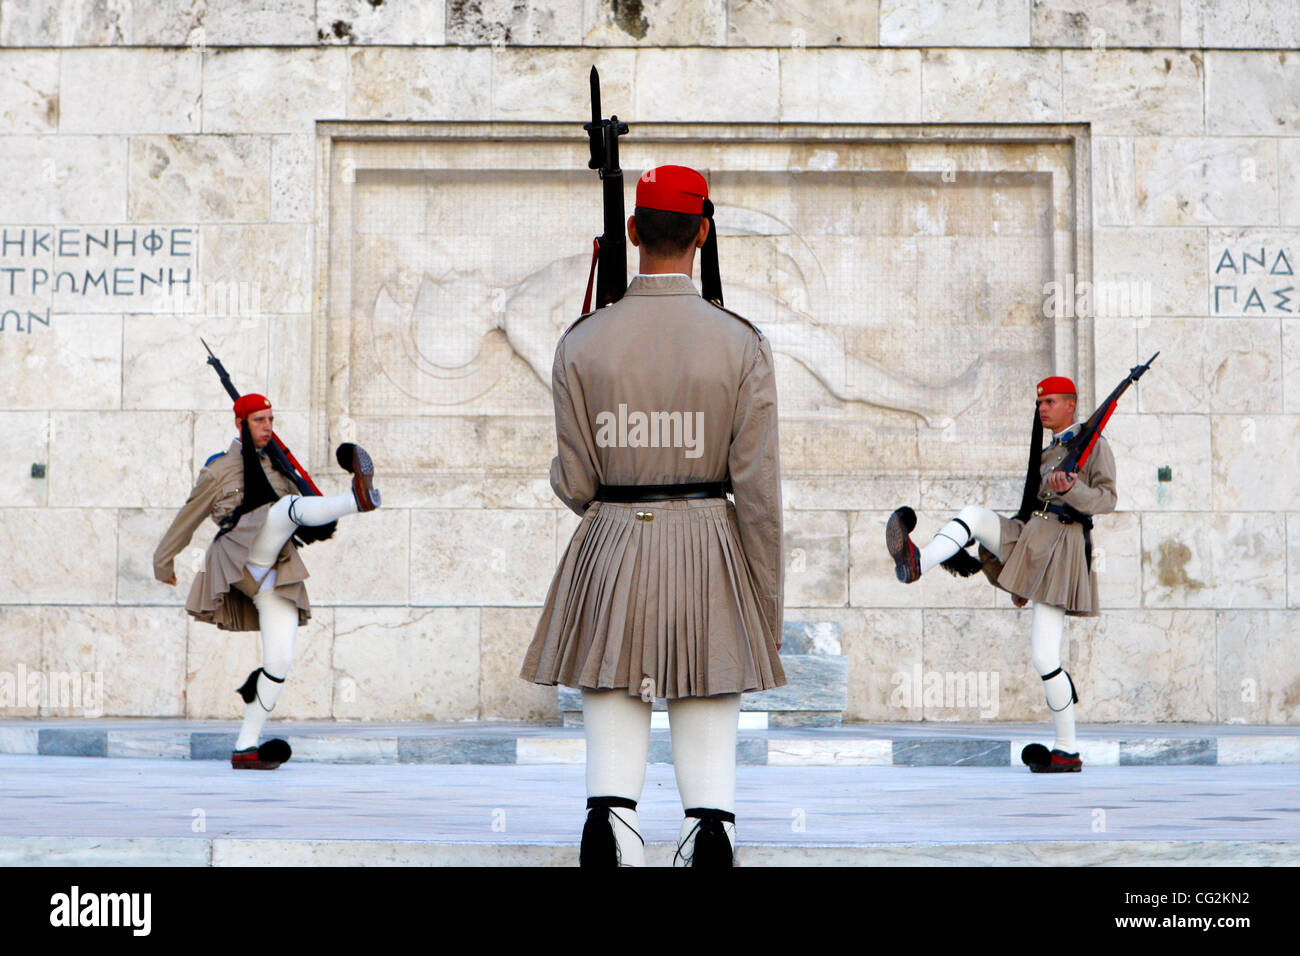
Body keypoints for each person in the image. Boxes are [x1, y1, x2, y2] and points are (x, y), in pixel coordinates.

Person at [521, 165, 785, 865]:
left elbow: (576, 479)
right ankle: (709, 834)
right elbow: (758, 491)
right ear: (703, 233)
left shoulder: (581, 341)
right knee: (710, 809)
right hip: (710, 548)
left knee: (609, 801)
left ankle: (610, 830)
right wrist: (763, 603)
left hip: (610, 545)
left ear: (633, 231)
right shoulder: (741, 342)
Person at [885, 375, 1117, 773]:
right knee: (974, 517)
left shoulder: (1094, 446)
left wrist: (1072, 489)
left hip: (1061, 549)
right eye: (1040, 403)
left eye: (1051, 403)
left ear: (1071, 407)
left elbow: (1108, 499)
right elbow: (1028, 511)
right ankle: (919, 561)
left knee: (1045, 657)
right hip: (1032, 539)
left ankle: (1067, 750)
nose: (1042, 408)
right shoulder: (1049, 451)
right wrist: (1016, 573)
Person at [154, 393, 380, 769]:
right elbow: (187, 517)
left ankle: (246, 748)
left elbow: (307, 513)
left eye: (271, 419)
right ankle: (358, 498)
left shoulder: (278, 467)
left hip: (276, 568)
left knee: (280, 660)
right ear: (241, 423)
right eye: (259, 420)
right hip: (240, 553)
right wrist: (164, 563)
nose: (268, 427)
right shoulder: (219, 469)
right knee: (286, 509)